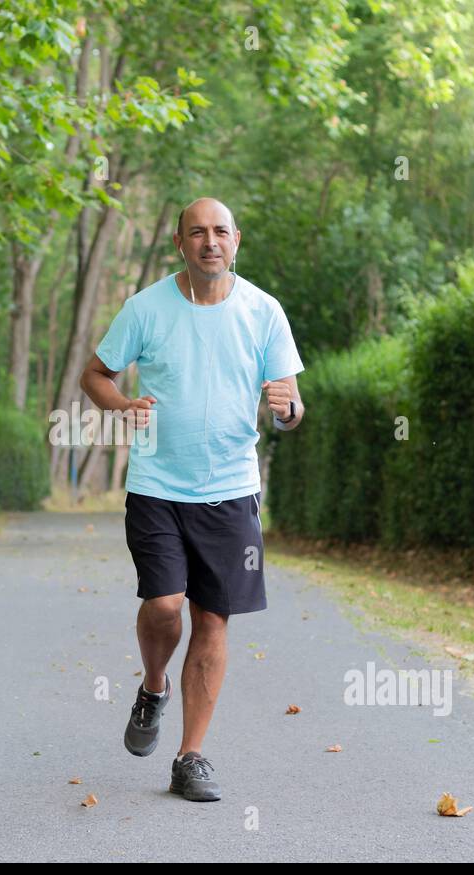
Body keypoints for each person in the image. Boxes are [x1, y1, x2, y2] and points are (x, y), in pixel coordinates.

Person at [79, 196, 305, 801]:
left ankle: (190, 757)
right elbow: (94, 374)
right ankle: (154, 685)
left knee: (213, 617)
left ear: (237, 240)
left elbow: (290, 405)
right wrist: (123, 406)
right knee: (165, 605)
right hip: (156, 487)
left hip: (232, 492)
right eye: (198, 232)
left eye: (221, 231)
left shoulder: (264, 312)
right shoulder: (146, 308)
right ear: (179, 243)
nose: (211, 241)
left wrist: (286, 412)